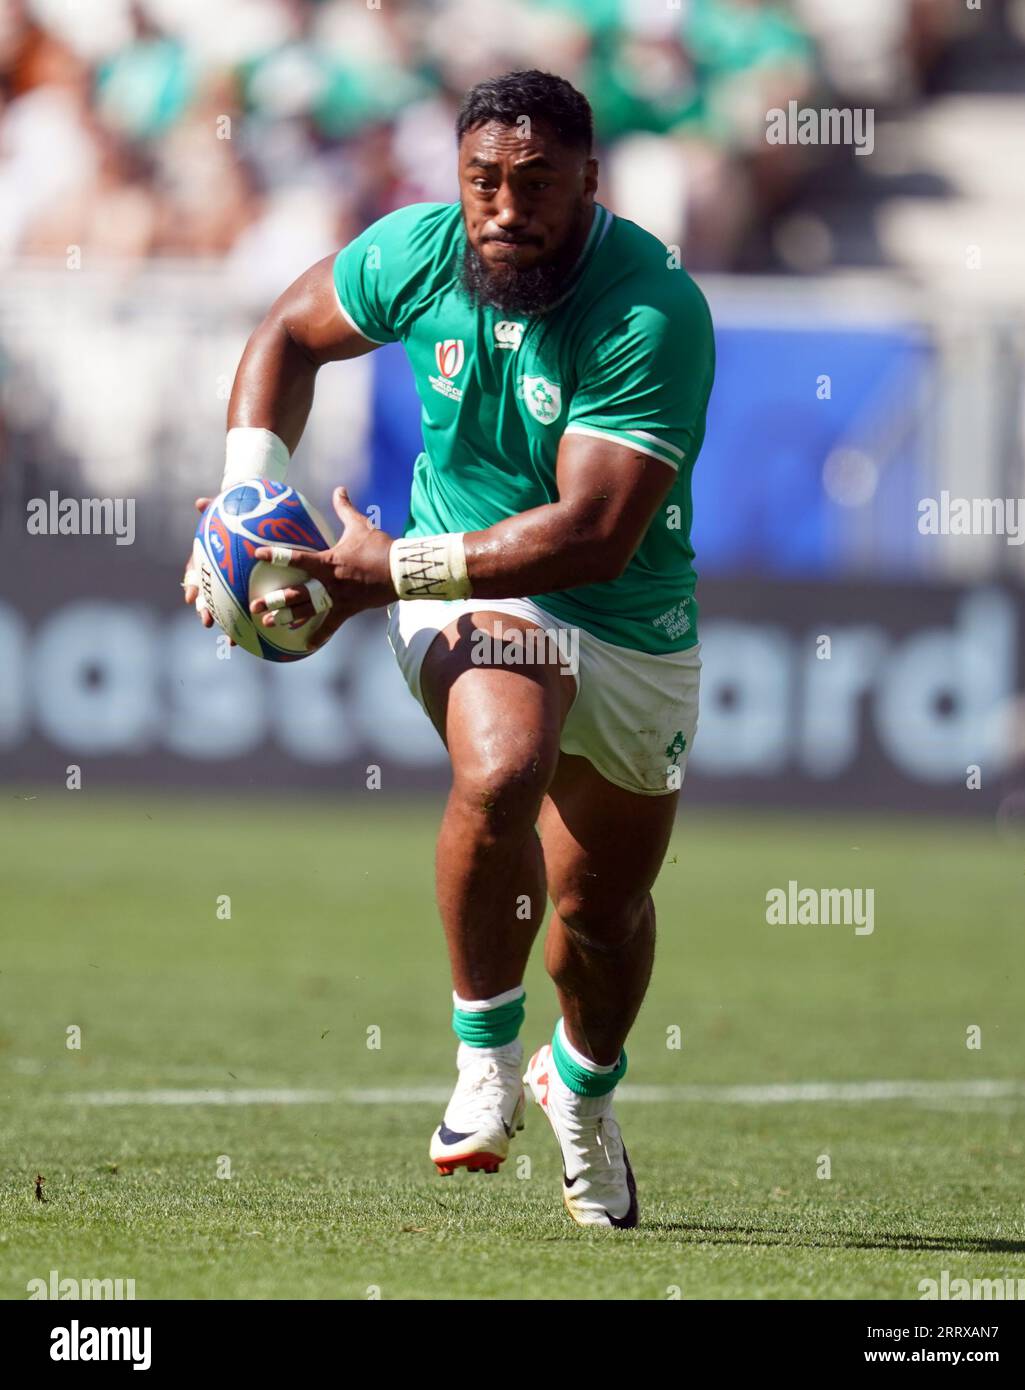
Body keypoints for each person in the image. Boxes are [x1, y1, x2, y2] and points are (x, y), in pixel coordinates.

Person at [184, 69, 715, 1229]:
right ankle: (483, 1052)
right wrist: (240, 500)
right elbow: (286, 329)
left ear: (589, 182)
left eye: (534, 185)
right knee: (501, 763)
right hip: (465, 589)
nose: (503, 210)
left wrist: (392, 572)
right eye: (482, 182)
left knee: (602, 913)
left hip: (623, 616)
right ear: (456, 179)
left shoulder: (650, 310)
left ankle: (580, 1089)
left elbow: (593, 533)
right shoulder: (420, 251)